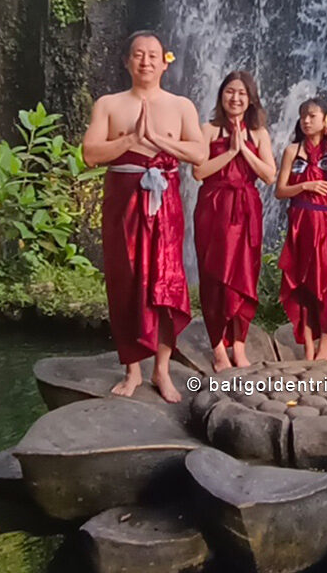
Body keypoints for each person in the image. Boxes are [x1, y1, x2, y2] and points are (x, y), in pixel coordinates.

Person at [82, 31, 207, 402]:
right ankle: (132, 369)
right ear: (127, 61)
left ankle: (162, 370)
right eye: (138, 54)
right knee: (126, 281)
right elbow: (90, 154)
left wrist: (158, 139)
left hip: (165, 205)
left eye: (153, 55)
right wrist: (130, 139)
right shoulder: (108, 104)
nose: (146, 61)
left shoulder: (181, 106)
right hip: (122, 203)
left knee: (167, 282)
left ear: (165, 62)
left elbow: (199, 154)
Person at [192, 71, 276, 371]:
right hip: (214, 208)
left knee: (245, 277)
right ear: (221, 95)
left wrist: (244, 152)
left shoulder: (259, 134)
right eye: (230, 91)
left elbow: (269, 175)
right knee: (215, 277)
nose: (235, 98)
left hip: (246, 209)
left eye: (242, 93)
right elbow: (199, 172)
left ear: (250, 99)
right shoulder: (208, 129)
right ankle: (218, 350)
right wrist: (230, 152)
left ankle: (239, 347)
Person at [275, 97, 327, 361]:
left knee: (325, 283)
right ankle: (308, 346)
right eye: (303, 116)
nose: (306, 121)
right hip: (300, 223)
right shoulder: (292, 151)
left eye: (312, 116)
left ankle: (325, 342)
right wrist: (305, 186)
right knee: (301, 283)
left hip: (325, 223)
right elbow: (280, 191)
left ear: (326, 119)